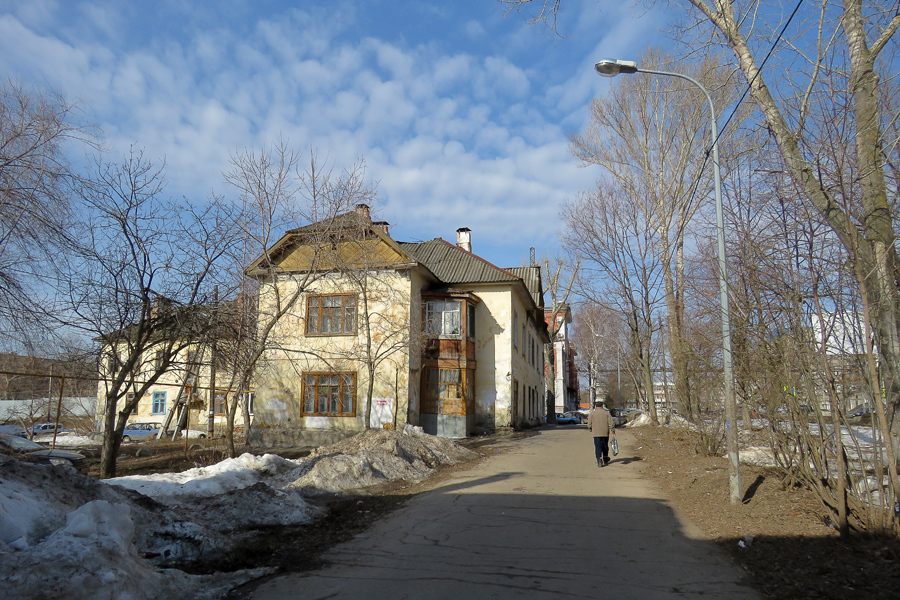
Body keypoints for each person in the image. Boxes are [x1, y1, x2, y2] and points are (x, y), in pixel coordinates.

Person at [588, 400, 616, 467]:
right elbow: (611, 423)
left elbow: (589, 424)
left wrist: (591, 429)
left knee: (598, 446)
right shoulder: (607, 413)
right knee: (605, 445)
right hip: (605, 432)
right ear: (602, 406)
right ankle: (605, 458)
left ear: (595, 406)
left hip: (596, 433)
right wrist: (613, 431)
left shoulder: (592, 414)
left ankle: (599, 460)